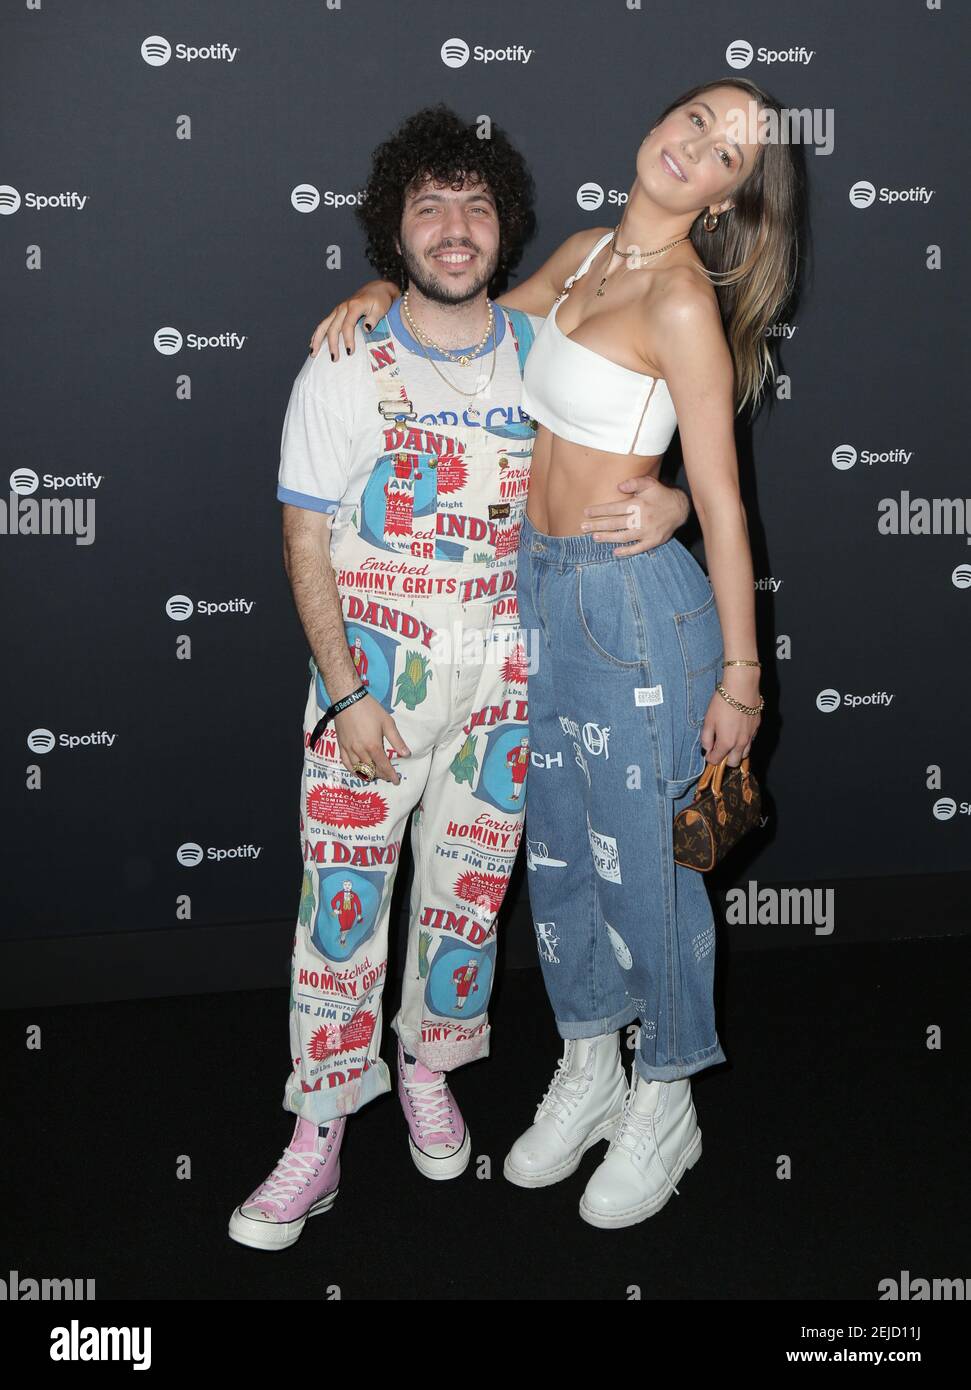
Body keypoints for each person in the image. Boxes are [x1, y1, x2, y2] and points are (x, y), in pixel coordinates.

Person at [309, 78, 805, 1230]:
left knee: (652, 870)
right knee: (565, 864)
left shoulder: (682, 299)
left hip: (635, 613)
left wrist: (742, 674)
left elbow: (727, 502)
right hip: (535, 591)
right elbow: (473, 334)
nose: (696, 147)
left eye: (726, 152)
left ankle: (667, 1087)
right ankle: (588, 1062)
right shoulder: (584, 255)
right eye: (695, 120)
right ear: (658, 121)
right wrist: (389, 288)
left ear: (733, 197)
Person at [228, 106, 691, 1252]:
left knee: (466, 903)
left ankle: (428, 1068)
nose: (453, 226)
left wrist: (672, 500)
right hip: (370, 687)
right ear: (393, 230)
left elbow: (634, 430)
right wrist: (344, 693)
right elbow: (301, 539)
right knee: (337, 914)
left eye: (474, 205)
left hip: (503, 682)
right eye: (428, 205)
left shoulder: (540, 348)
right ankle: (318, 1131)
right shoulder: (347, 355)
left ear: (504, 228)